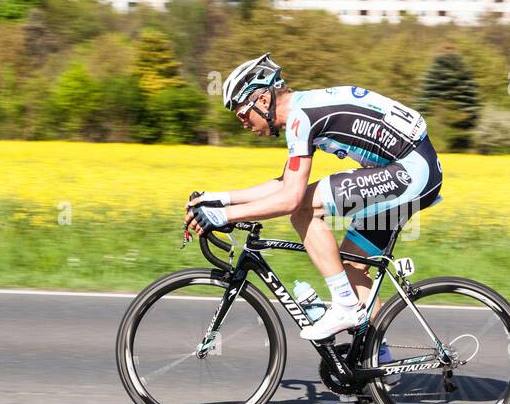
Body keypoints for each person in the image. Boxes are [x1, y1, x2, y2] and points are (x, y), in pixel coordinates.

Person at [185, 53, 443, 342]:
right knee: (352, 271)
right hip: (414, 172)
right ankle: (376, 365)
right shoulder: (304, 110)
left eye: (243, 114)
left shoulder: (301, 118)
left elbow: (291, 200)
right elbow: (284, 184)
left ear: (263, 101)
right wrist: (219, 200)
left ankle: (344, 306)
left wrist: (224, 216)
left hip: (409, 172)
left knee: (303, 210)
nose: (244, 123)